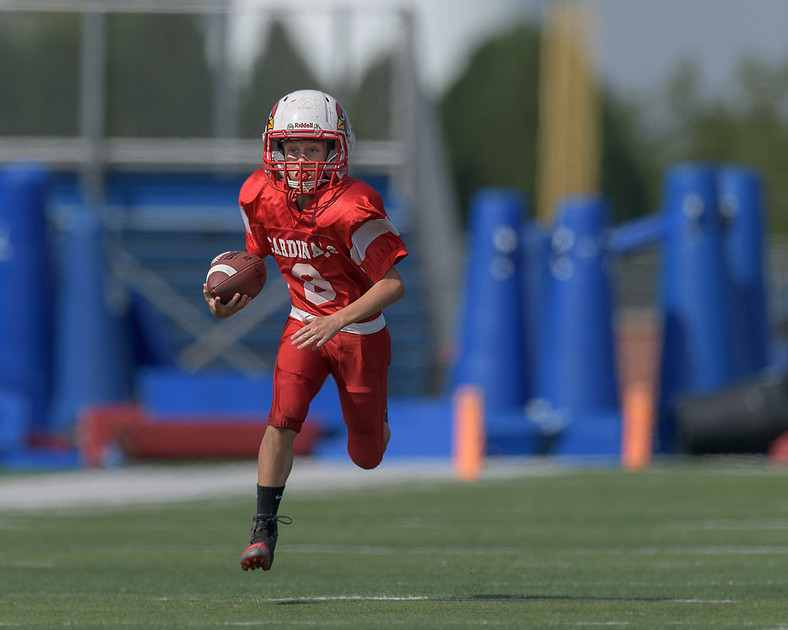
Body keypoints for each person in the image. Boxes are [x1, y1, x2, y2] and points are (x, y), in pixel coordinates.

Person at [203, 89, 408, 572]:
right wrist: (227, 303)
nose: (299, 161)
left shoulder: (354, 205)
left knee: (368, 455)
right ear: (273, 148)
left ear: (336, 150)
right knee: (281, 419)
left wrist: (338, 319)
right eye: (290, 149)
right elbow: (255, 262)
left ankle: (376, 425)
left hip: (358, 330)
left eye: (312, 149)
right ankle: (262, 530)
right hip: (303, 323)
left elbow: (393, 285)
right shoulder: (258, 193)